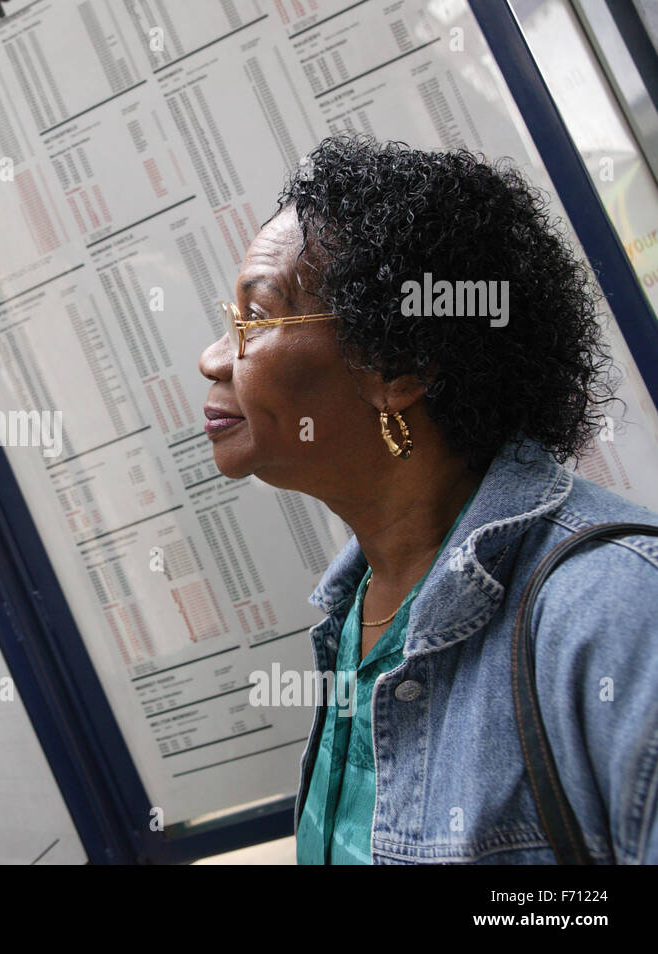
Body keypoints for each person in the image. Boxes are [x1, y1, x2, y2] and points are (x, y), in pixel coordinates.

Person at [197, 135, 658, 864]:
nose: (214, 357)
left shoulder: (619, 607)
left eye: (254, 318)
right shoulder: (354, 612)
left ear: (398, 367)